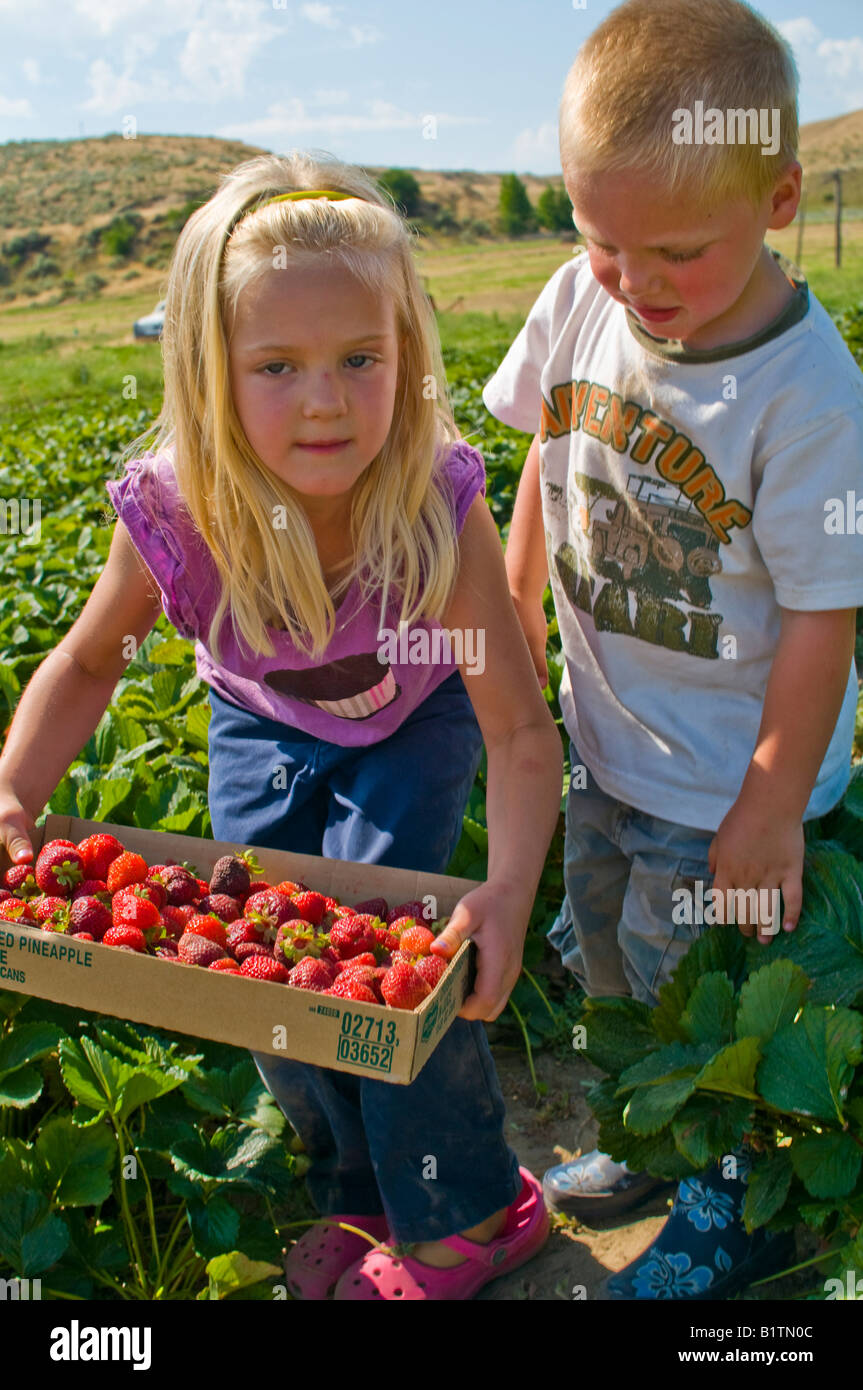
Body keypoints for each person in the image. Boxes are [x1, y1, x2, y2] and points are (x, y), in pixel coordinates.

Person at [0, 151, 564, 1301]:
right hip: (257, 720)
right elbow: (93, 656)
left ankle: (469, 1208)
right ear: (209, 376)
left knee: (398, 957)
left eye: (361, 358)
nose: (325, 399)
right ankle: (356, 1185)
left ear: (405, 349)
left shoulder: (432, 504)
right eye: (277, 366)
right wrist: (12, 791)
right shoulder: (175, 507)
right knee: (261, 970)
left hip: (416, 718)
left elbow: (513, 728)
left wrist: (504, 889)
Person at [484, 0, 863, 1299]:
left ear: (776, 199)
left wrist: (766, 803)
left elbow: (821, 615)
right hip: (602, 746)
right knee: (602, 954)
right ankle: (638, 1135)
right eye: (599, 242)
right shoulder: (577, 305)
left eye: (674, 253)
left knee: (704, 999)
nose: (633, 282)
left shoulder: (805, 397)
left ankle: (724, 1197)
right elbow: (543, 447)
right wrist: (514, 609)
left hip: (721, 787)